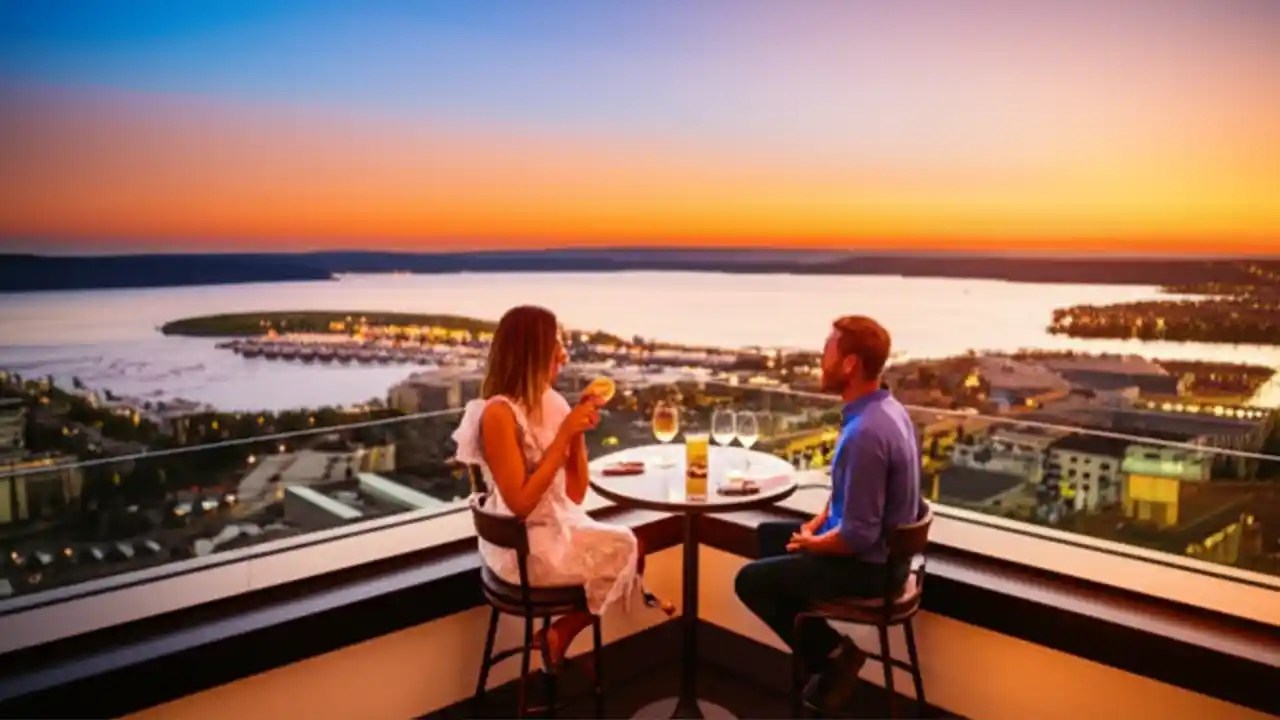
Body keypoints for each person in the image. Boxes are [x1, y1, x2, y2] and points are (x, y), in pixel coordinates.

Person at [451, 305, 672, 672]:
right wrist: (565, 434)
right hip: (520, 550)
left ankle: (561, 632)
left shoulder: (551, 401)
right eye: (556, 343)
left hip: (551, 528)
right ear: (532, 349)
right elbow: (520, 504)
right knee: (629, 546)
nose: (564, 354)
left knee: (635, 545)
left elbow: (575, 494)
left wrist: (577, 434)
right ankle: (561, 634)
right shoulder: (498, 414)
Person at [734, 315, 922, 715]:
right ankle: (822, 658)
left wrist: (812, 544)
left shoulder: (864, 434)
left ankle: (834, 658)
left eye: (827, 350)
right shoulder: (888, 410)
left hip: (872, 569)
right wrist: (819, 524)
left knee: (750, 581)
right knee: (768, 537)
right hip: (891, 557)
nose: (821, 358)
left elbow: (857, 537)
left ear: (850, 364)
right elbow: (853, 497)